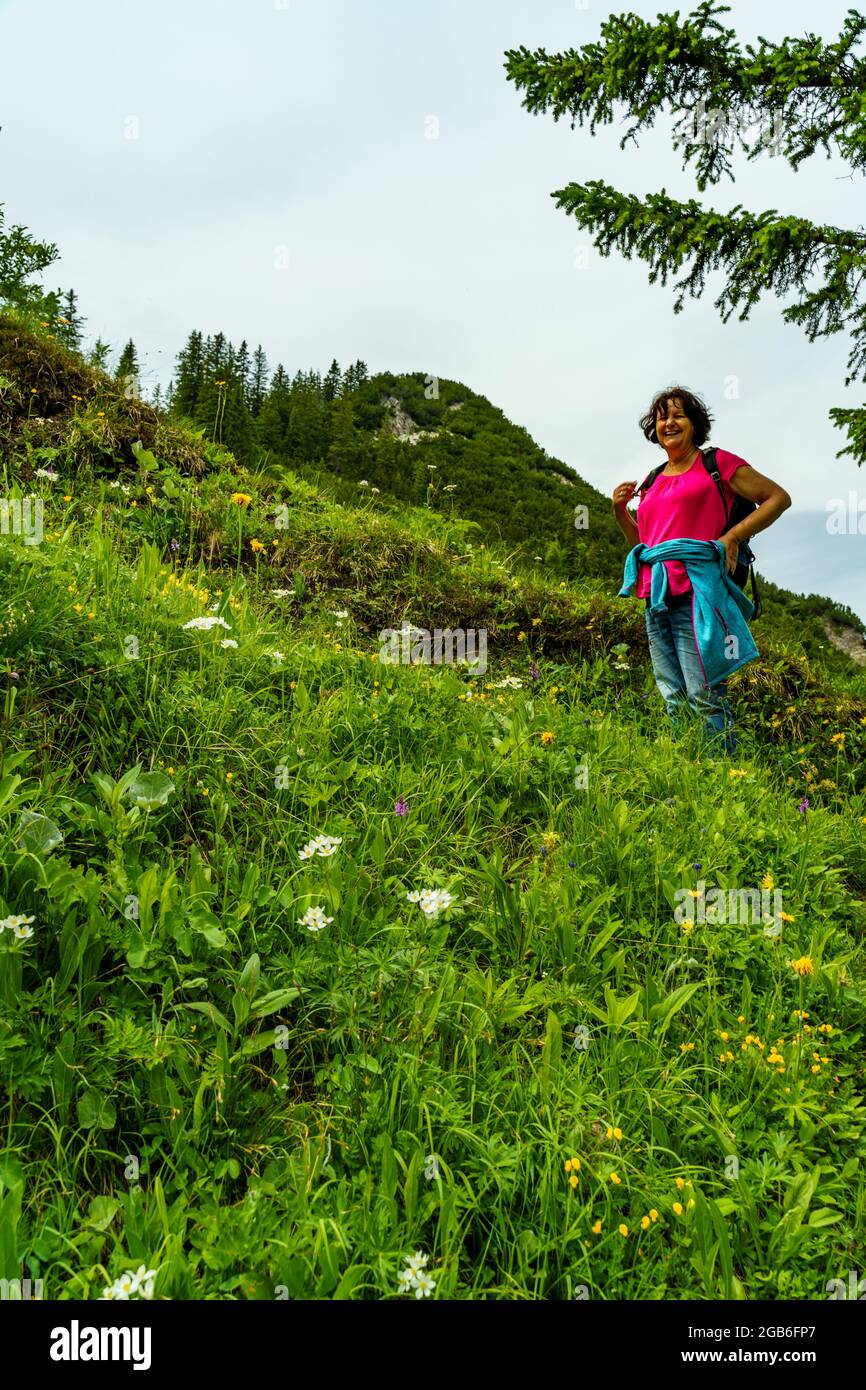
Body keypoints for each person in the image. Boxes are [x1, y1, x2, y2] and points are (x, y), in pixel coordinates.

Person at [612, 386, 791, 754]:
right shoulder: (652, 479)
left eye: (678, 415)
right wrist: (620, 512)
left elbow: (777, 498)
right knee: (672, 693)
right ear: (654, 428)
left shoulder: (716, 463)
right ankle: (689, 772)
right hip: (656, 594)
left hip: (698, 589)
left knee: (704, 691)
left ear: (694, 423)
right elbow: (645, 543)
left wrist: (733, 537)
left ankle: (722, 775)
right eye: (662, 417)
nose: (669, 422)